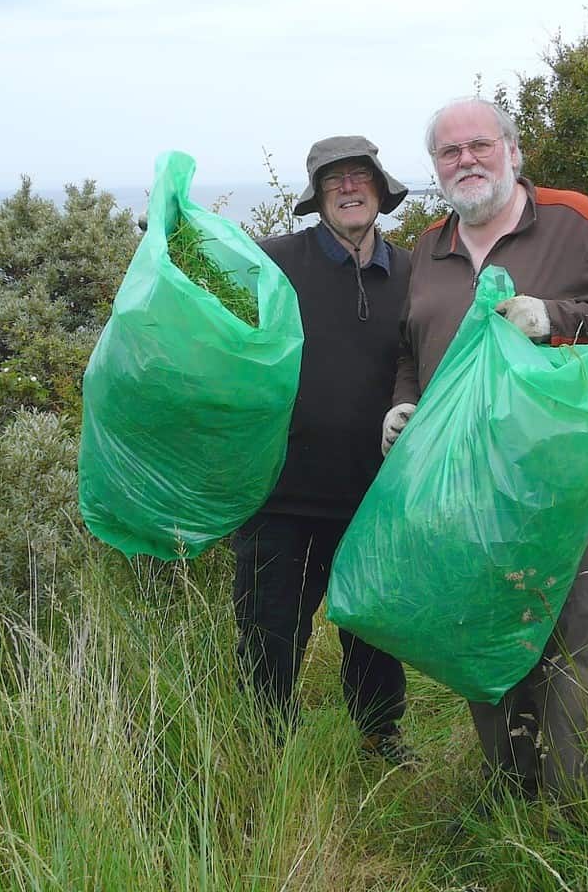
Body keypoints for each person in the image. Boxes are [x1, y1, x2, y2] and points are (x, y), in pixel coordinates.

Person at [383, 99, 588, 801]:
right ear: (435, 169)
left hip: (580, 492)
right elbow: (411, 351)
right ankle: (514, 804)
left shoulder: (572, 220)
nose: (466, 161)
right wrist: (402, 403)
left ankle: (582, 827)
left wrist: (557, 319)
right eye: (449, 153)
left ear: (513, 150)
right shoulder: (429, 246)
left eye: (479, 145)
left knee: (581, 659)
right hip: (472, 497)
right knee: (490, 647)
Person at [232, 135, 415, 763]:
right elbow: (209, 292)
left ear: (379, 191)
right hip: (280, 492)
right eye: (334, 179)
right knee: (270, 627)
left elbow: (432, 357)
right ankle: (266, 745)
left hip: (378, 492)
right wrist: (172, 238)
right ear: (317, 196)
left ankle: (379, 737)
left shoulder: (413, 274)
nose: (348, 187)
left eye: (359, 176)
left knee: (372, 627)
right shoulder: (274, 260)